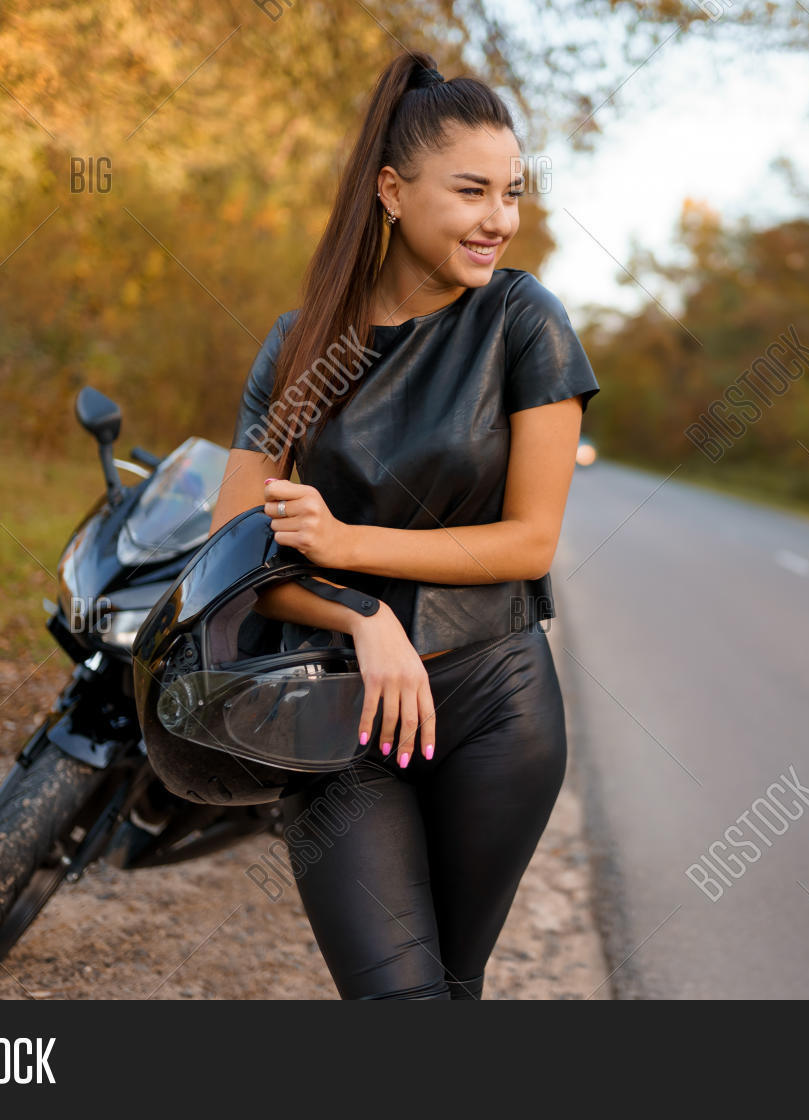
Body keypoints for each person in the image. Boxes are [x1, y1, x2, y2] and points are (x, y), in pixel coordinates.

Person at [206, 50, 600, 999]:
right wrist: (362, 616)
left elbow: (527, 542)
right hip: (336, 708)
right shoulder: (300, 346)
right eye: (472, 191)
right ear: (391, 189)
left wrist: (342, 545)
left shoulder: (524, 322)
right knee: (401, 1001)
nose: (498, 220)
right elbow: (230, 554)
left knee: (451, 992)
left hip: (497, 709)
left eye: (511, 193)